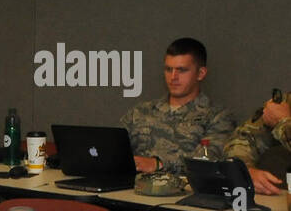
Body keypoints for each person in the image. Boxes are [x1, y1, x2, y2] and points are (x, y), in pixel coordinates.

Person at [121, 38, 236, 175]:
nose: (173, 77)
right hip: (133, 192)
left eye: (181, 70)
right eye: (169, 69)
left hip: (183, 193)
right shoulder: (140, 112)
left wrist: (159, 164)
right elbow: (114, 150)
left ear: (200, 73)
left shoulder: (218, 117)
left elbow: (207, 161)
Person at [223, 93, 291, 195]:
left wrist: (283, 122)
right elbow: (243, 139)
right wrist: (246, 171)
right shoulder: (286, 103)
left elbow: (282, 120)